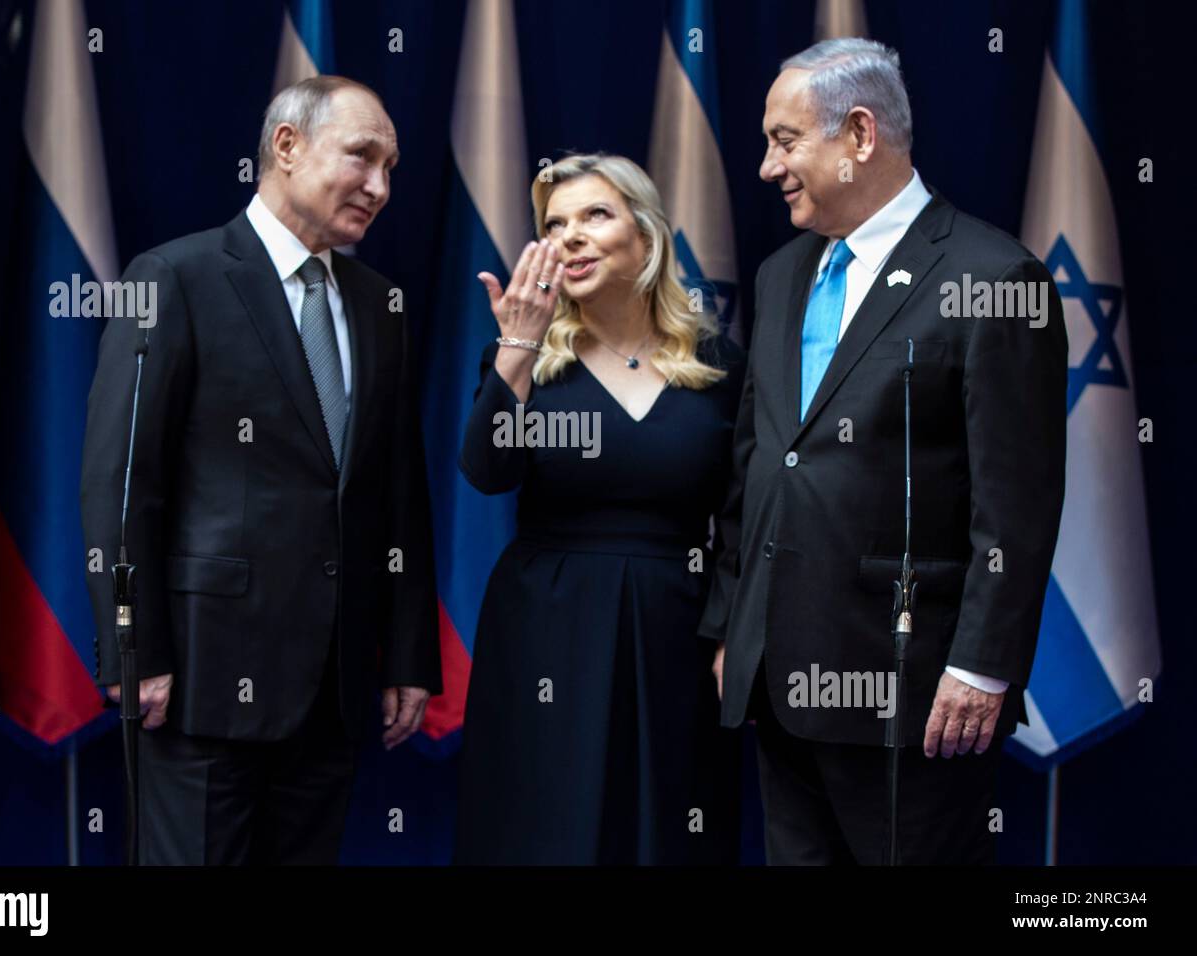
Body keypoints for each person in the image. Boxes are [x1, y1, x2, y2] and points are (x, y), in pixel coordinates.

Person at [700, 38, 1067, 865]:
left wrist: (982, 666)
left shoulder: (996, 276)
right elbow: (759, 460)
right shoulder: (781, 274)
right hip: (780, 677)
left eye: (785, 140)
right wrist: (734, 624)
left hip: (914, 689)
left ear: (859, 134)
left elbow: (1018, 501)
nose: (766, 167)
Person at [80, 76, 439, 864]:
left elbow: (396, 492)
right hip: (203, 681)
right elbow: (123, 479)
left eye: (392, 168)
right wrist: (132, 650)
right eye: (362, 158)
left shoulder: (381, 305)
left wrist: (409, 652)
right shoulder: (173, 277)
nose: (380, 187)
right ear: (286, 147)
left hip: (335, 689)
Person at [453, 153, 744, 864]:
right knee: (545, 825)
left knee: (667, 824)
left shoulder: (719, 366)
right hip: (546, 626)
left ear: (646, 236)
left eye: (595, 215)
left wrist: (738, 629)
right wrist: (518, 345)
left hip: (679, 626)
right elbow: (487, 473)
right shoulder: (524, 357)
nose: (571, 236)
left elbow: (746, 515)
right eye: (555, 224)